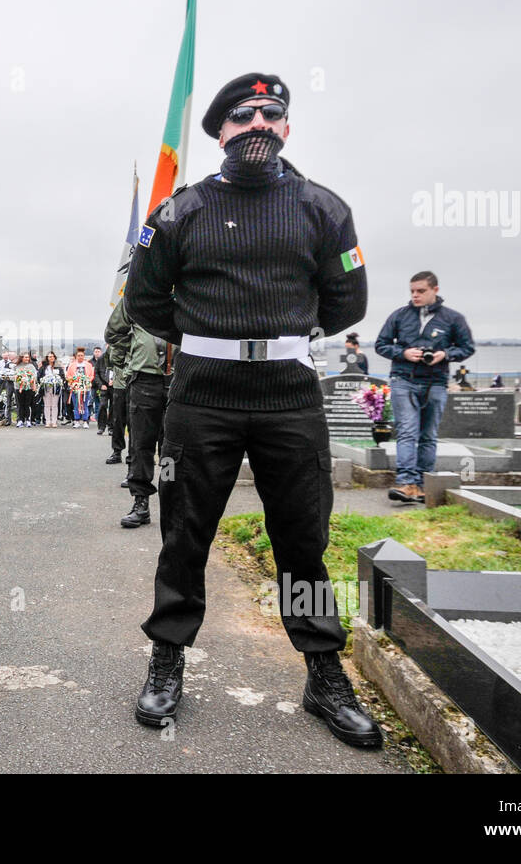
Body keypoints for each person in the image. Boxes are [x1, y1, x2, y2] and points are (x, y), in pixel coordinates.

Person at [125, 72, 381, 748]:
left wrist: (279, 335)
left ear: (288, 127)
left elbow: (347, 302)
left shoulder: (323, 208)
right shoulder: (183, 211)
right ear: (221, 132)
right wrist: (209, 338)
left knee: (303, 541)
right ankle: (168, 658)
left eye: (272, 112)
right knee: (184, 537)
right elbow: (143, 301)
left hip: (289, 398)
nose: (259, 121)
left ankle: (323, 672)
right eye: (244, 114)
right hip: (202, 396)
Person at [374, 271, 476, 504]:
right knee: (407, 431)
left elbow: (467, 347)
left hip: (436, 383)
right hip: (403, 379)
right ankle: (406, 483)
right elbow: (381, 344)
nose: (415, 295)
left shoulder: (453, 318)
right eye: (412, 291)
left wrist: (445, 354)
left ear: (435, 290)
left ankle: (422, 485)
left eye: (421, 291)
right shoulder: (399, 316)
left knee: (428, 435)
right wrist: (404, 352)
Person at [105, 299, 174, 526]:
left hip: (178, 379)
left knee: (172, 446)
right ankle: (140, 501)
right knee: (141, 444)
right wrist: (134, 350)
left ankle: (170, 498)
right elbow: (113, 333)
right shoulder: (136, 295)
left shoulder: (187, 288)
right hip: (144, 378)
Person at [105, 336, 128, 464]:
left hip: (137, 384)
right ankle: (117, 452)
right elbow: (109, 362)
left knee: (138, 423)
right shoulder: (115, 343)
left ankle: (138, 455)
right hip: (119, 386)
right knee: (118, 420)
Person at [65, 347, 96, 428]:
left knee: (85, 404)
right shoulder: (72, 365)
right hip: (75, 387)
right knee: (76, 404)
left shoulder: (88, 365)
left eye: (82, 355)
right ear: (76, 356)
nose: (80, 357)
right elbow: (68, 375)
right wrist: (72, 381)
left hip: (86, 387)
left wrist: (87, 381)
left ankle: (85, 420)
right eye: (78, 355)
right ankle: (77, 420)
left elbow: (91, 375)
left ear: (84, 356)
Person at [37, 351, 65, 429]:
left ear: (54, 357)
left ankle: (54, 421)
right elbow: (39, 377)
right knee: (47, 405)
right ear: (47, 358)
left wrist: (59, 381)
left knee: (54, 405)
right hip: (46, 388)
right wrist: (43, 381)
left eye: (52, 356)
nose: (51, 358)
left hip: (56, 388)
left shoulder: (58, 367)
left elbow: (63, 377)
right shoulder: (43, 367)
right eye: (49, 356)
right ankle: (48, 421)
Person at [13, 352, 38, 426]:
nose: (27, 359)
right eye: (25, 357)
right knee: (20, 404)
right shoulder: (17, 366)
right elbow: (15, 376)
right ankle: (20, 420)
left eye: (28, 357)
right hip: (19, 388)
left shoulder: (31, 366)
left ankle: (28, 420)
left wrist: (30, 380)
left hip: (29, 388)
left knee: (27, 404)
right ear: (22, 358)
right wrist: (20, 379)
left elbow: (34, 376)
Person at [92, 346, 110, 434]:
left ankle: (111, 428)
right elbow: (96, 373)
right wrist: (101, 384)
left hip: (115, 386)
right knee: (102, 405)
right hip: (103, 386)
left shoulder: (117, 357)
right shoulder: (101, 358)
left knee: (114, 407)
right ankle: (101, 427)